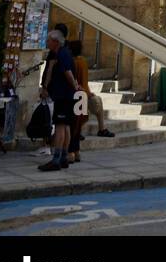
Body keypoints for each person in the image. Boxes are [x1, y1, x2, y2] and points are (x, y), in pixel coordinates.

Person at [38, 29, 78, 171]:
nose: (46, 42)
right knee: (66, 126)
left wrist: (75, 87)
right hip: (65, 95)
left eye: (48, 40)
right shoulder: (59, 54)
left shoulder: (62, 54)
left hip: (63, 95)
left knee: (60, 126)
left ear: (55, 41)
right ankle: (63, 157)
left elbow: (67, 72)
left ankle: (56, 160)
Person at [67, 39, 113, 150]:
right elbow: (83, 82)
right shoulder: (81, 62)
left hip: (77, 93)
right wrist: (88, 93)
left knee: (91, 103)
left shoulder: (72, 62)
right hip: (81, 93)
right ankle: (100, 128)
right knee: (95, 102)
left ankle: (79, 131)